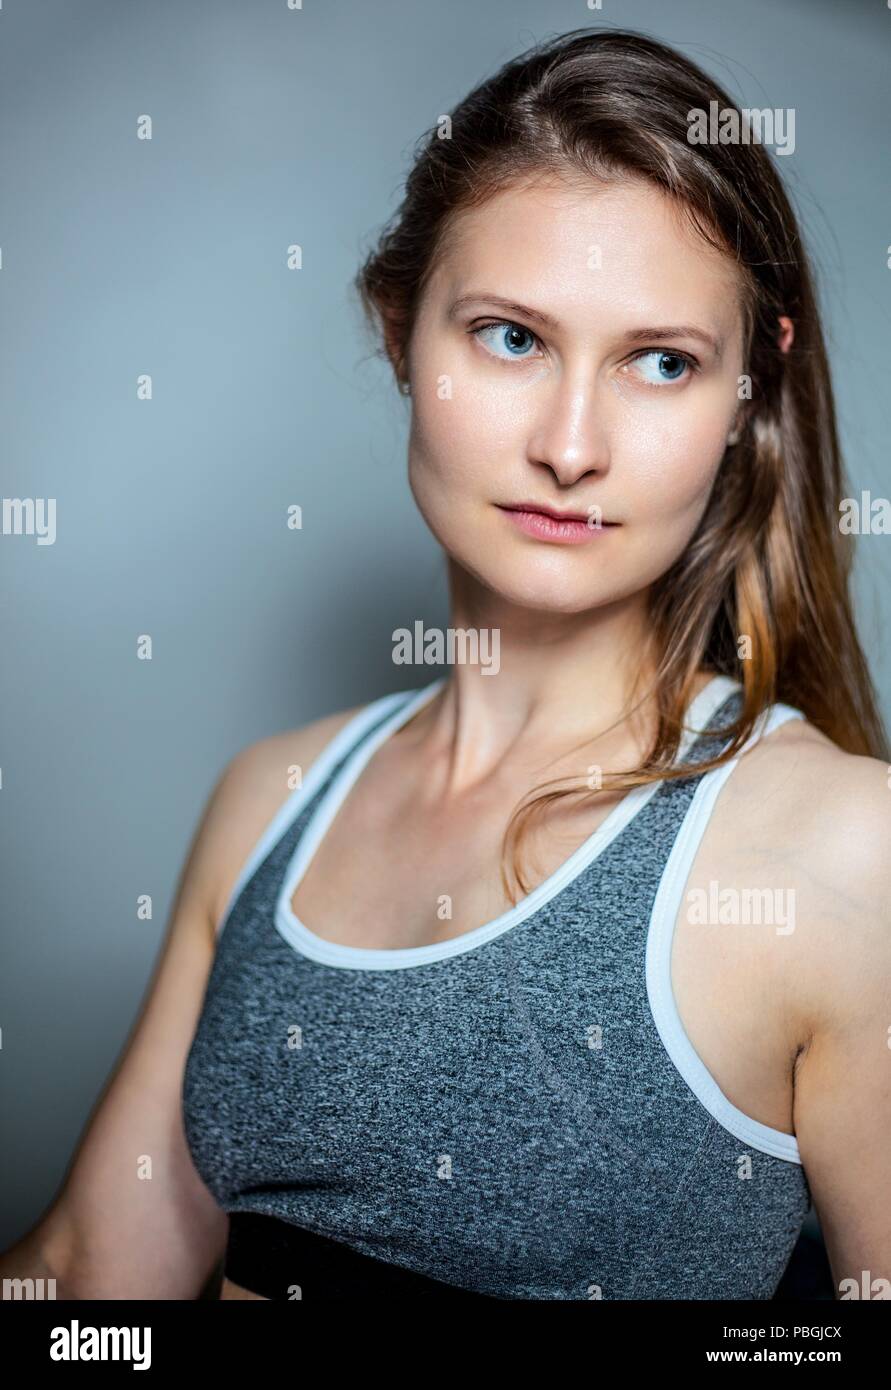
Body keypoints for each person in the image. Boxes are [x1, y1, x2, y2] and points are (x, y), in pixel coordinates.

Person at [3, 27, 889, 1302]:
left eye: (661, 361)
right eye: (512, 338)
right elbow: (98, 1281)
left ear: (751, 390)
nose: (571, 446)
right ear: (399, 334)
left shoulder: (844, 848)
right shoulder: (272, 802)